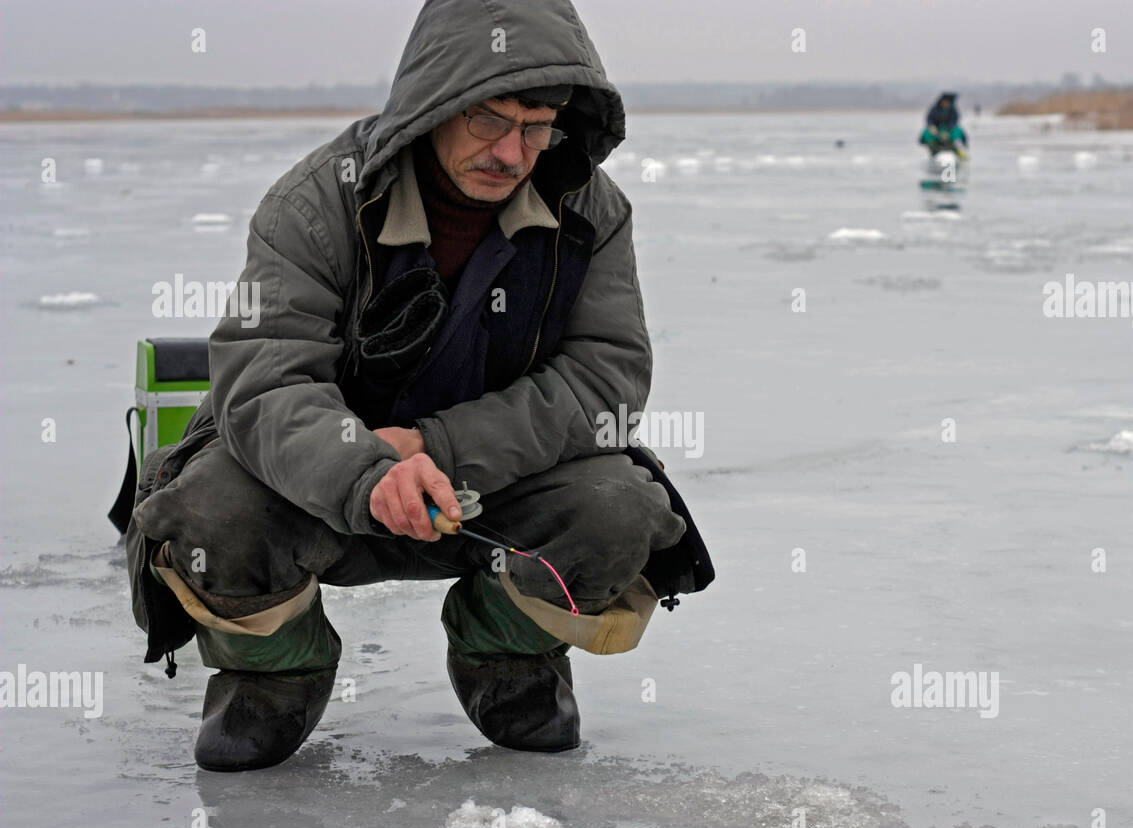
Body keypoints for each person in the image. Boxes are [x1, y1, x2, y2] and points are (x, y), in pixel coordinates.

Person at [124, 0, 712, 772]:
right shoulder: (315, 204)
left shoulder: (590, 211)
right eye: (488, 120)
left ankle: (505, 655)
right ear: (431, 104)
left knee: (620, 511)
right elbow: (264, 380)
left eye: (537, 126)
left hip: (490, 489)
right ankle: (273, 676)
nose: (513, 152)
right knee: (210, 515)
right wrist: (370, 471)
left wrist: (441, 446)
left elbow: (605, 380)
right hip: (314, 485)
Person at [919, 91, 968, 157]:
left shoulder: (953, 110)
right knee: (928, 133)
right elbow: (929, 118)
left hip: (949, 129)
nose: (946, 103)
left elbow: (954, 120)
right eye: (945, 101)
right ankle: (934, 151)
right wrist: (932, 126)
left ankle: (959, 151)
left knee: (958, 132)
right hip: (936, 128)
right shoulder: (935, 108)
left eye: (948, 102)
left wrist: (949, 130)